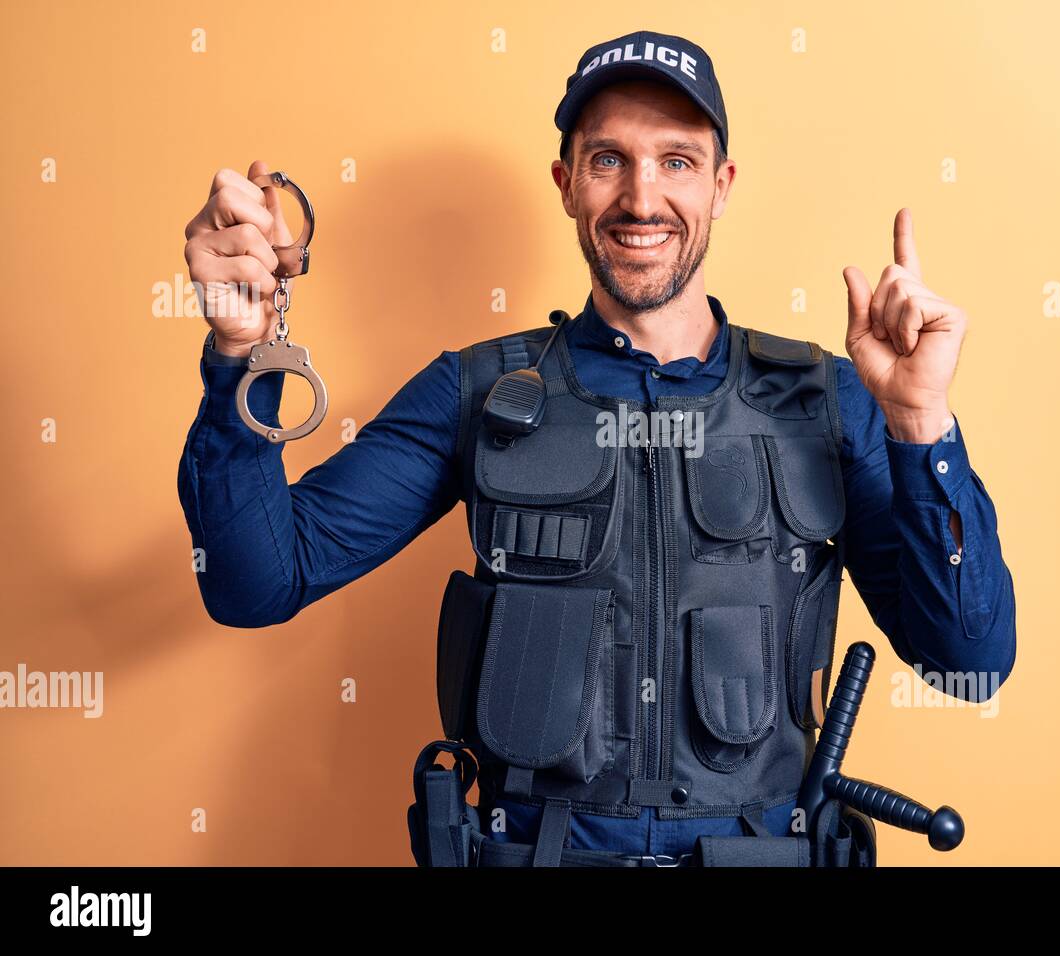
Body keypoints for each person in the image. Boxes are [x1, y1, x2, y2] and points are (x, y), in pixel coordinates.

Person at [179, 30, 1016, 866]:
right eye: (609, 159)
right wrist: (238, 357)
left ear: (722, 186)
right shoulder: (475, 392)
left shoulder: (825, 399)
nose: (643, 199)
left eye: (678, 162)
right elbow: (256, 583)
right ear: (567, 184)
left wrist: (920, 423)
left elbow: (969, 663)